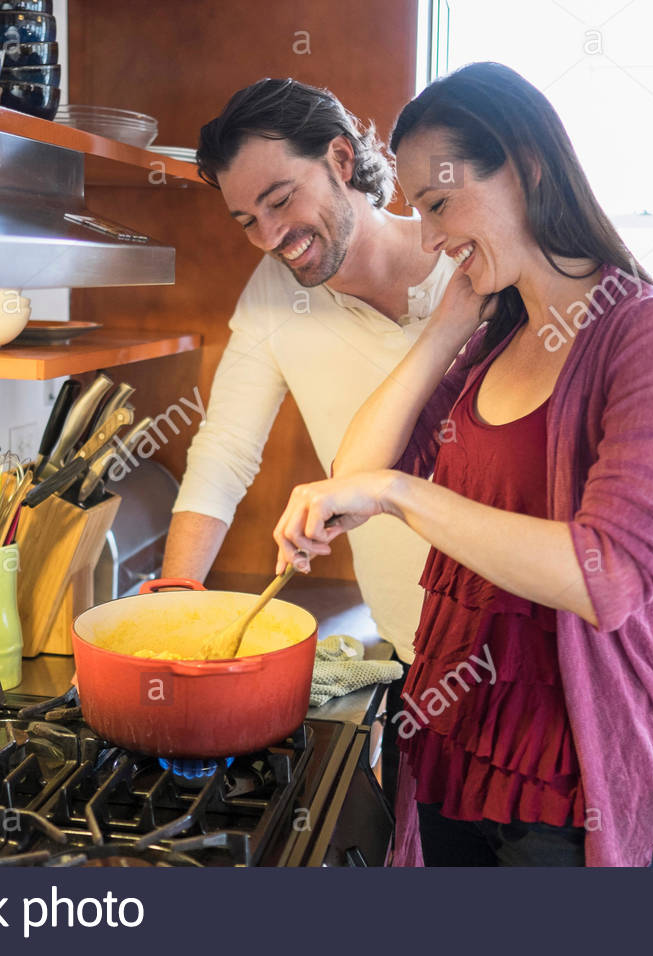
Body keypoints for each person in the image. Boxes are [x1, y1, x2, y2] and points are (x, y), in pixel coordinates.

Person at [271, 62, 653, 867]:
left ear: (528, 166)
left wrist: (398, 494)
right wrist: (445, 328)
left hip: (563, 770)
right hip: (449, 735)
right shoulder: (489, 345)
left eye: (440, 205)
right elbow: (357, 471)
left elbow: (607, 573)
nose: (431, 238)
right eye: (418, 212)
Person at [163, 78, 457, 807]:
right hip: (415, 647)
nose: (270, 237)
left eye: (280, 199)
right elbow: (225, 448)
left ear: (340, 159)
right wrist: (174, 596)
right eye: (246, 220)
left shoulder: (468, 264)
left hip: (524, 635)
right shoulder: (275, 294)